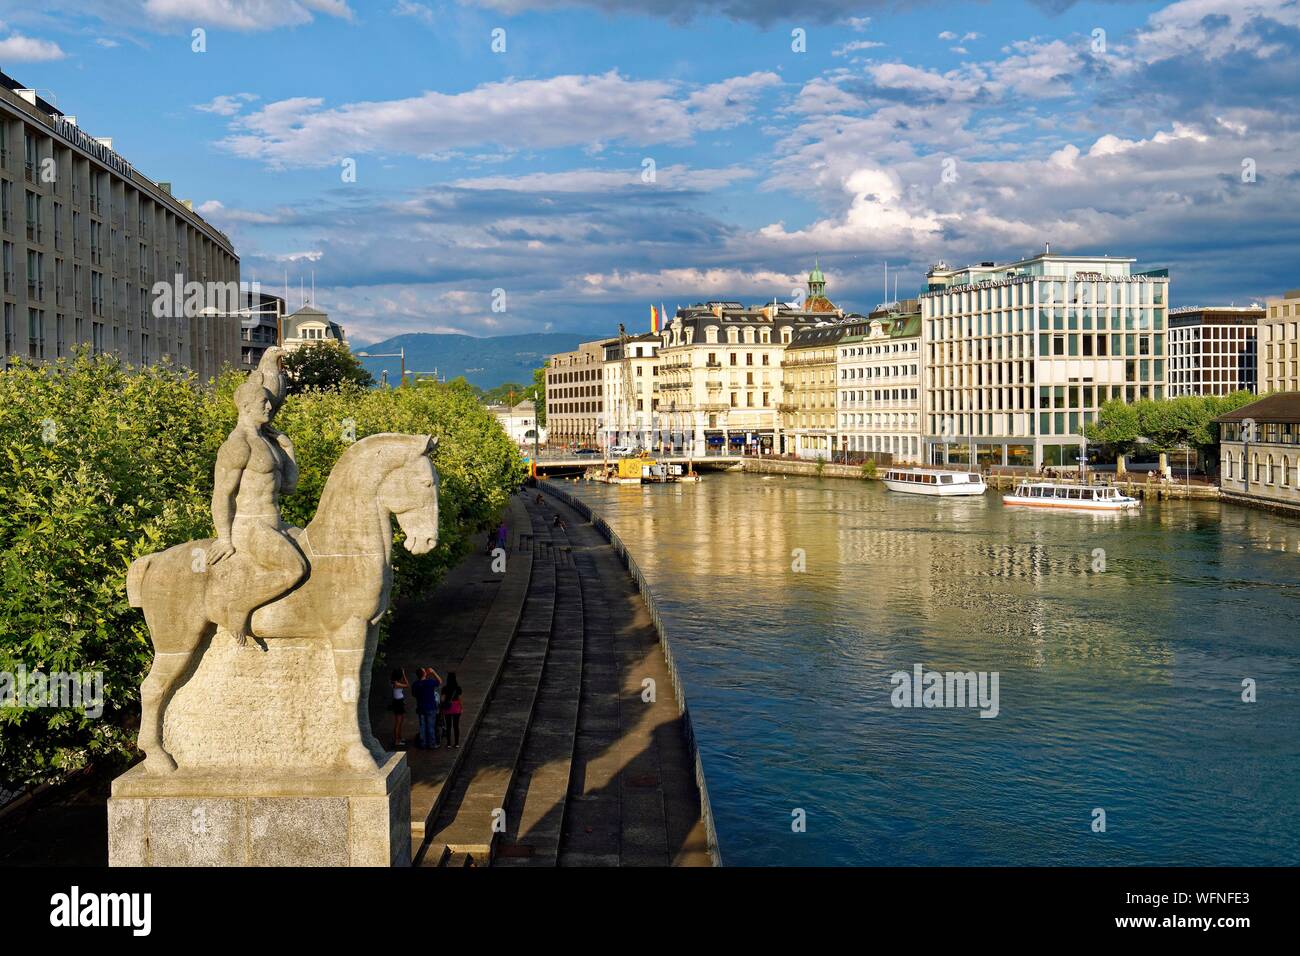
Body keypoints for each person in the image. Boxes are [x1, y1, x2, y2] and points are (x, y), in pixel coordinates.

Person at [206, 348, 308, 647]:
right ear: (247, 407)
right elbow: (222, 495)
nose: (269, 407)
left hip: (275, 522)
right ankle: (239, 607)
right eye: (264, 402)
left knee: (316, 550)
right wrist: (225, 538)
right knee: (295, 568)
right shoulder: (237, 445)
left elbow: (289, 487)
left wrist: (287, 448)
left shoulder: (269, 442)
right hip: (251, 528)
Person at [411, 667, 442, 749]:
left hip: (421, 707)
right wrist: (433, 672)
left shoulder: (415, 684)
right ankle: (432, 744)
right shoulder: (430, 682)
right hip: (431, 707)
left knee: (422, 726)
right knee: (430, 726)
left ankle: (423, 743)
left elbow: (414, 694)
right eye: (424, 671)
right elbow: (440, 681)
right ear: (424, 674)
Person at [440, 672, 463, 748]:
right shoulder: (458, 688)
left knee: (448, 726)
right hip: (456, 707)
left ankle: (449, 743)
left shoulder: (444, 688)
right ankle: (456, 744)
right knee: (456, 726)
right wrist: (461, 707)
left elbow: (442, 699)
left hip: (448, 707)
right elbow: (460, 699)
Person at [390, 668, 410, 749]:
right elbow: (407, 685)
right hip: (398, 703)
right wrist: (404, 674)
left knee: (400, 721)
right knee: (398, 722)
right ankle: (397, 741)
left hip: (399, 702)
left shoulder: (394, 681)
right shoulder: (396, 684)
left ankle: (399, 737)